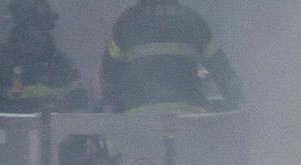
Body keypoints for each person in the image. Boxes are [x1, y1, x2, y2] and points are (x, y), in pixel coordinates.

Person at [102, 0, 238, 109]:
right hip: (189, 120)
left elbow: (109, 75)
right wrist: (237, 100)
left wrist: (113, 106)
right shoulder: (192, 20)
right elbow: (221, 68)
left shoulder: (127, 21)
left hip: (140, 123)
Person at [0, 0, 84, 106]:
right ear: (22, 26)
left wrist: (79, 96)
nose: (45, 28)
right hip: (11, 131)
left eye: (48, 23)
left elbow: (76, 86)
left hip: (54, 134)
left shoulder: (60, 60)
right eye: (38, 23)